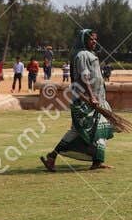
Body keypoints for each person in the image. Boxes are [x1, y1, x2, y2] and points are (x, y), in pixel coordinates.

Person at [43, 28, 116, 172]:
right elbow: (84, 77)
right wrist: (92, 96)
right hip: (87, 101)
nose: (94, 42)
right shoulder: (82, 55)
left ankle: (97, 161)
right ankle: (52, 156)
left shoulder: (89, 54)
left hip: (97, 99)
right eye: (91, 39)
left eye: (95, 39)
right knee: (76, 131)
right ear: (84, 40)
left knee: (100, 130)